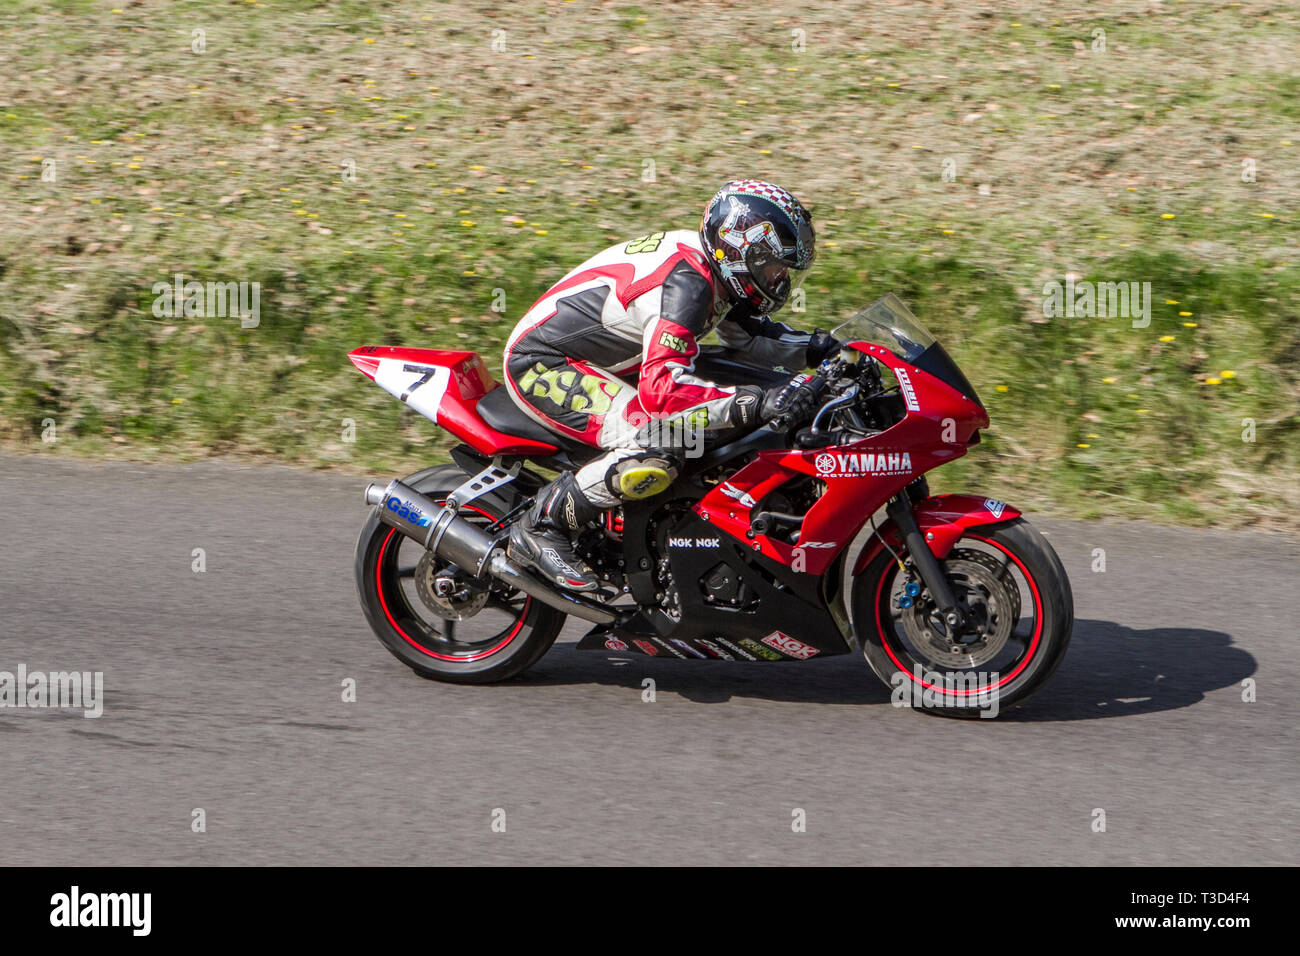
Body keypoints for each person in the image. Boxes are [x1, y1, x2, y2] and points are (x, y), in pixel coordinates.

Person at [502, 180, 840, 591]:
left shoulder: (715, 271)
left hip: (608, 361)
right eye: (773, 265)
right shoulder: (689, 285)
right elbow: (662, 392)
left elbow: (750, 340)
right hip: (545, 364)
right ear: (740, 250)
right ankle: (541, 524)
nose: (780, 280)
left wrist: (828, 350)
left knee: (729, 394)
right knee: (661, 442)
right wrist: (756, 404)